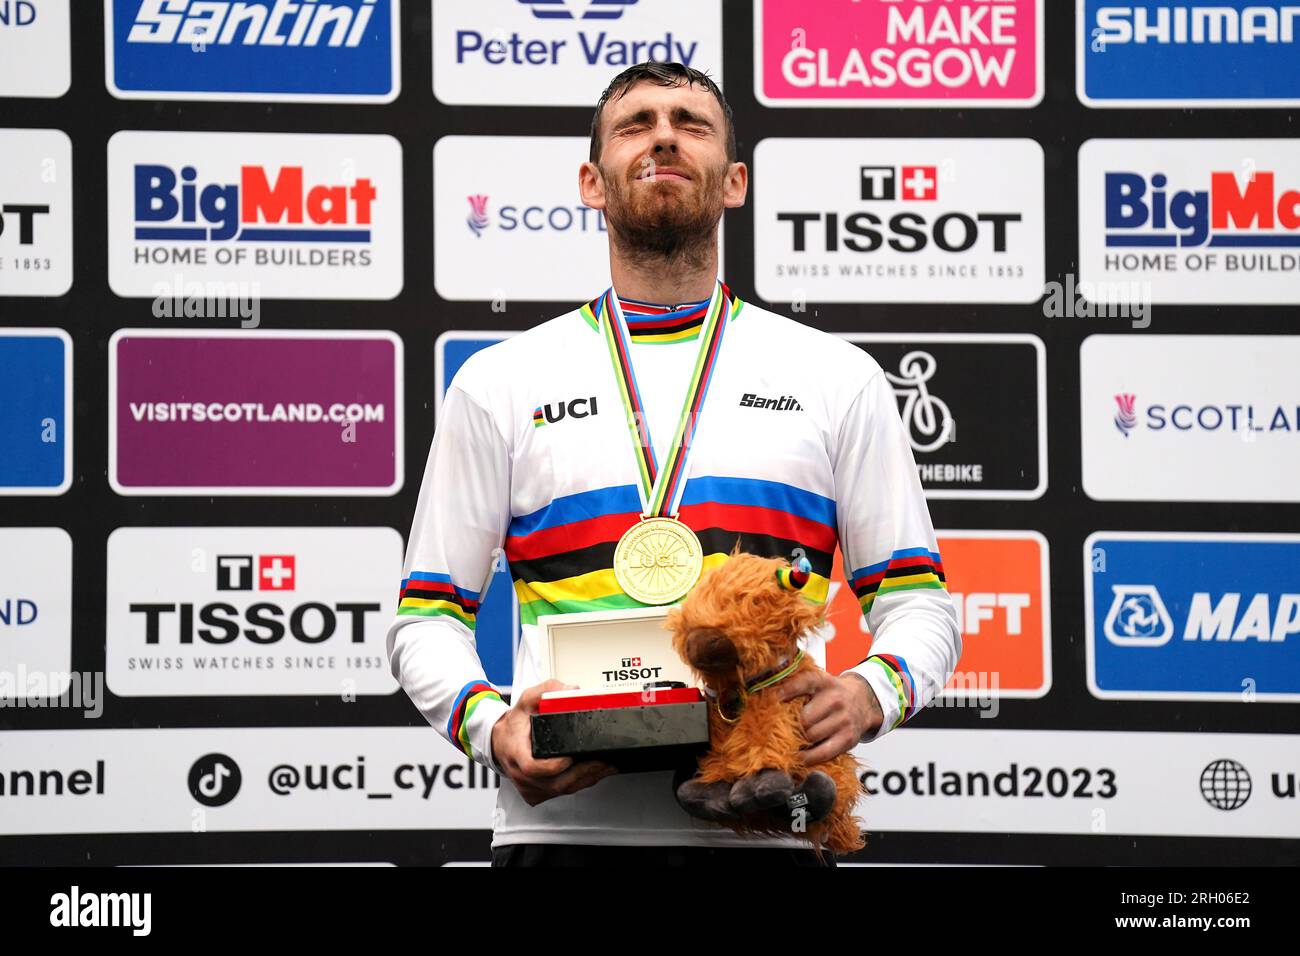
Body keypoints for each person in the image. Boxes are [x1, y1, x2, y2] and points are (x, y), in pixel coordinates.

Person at [386, 62, 962, 867]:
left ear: (733, 182)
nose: (663, 135)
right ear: (592, 182)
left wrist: (872, 692)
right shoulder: (501, 382)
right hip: (560, 833)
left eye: (691, 124)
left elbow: (919, 602)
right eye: (636, 124)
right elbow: (427, 618)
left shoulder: (835, 376)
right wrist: (493, 725)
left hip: (771, 828)